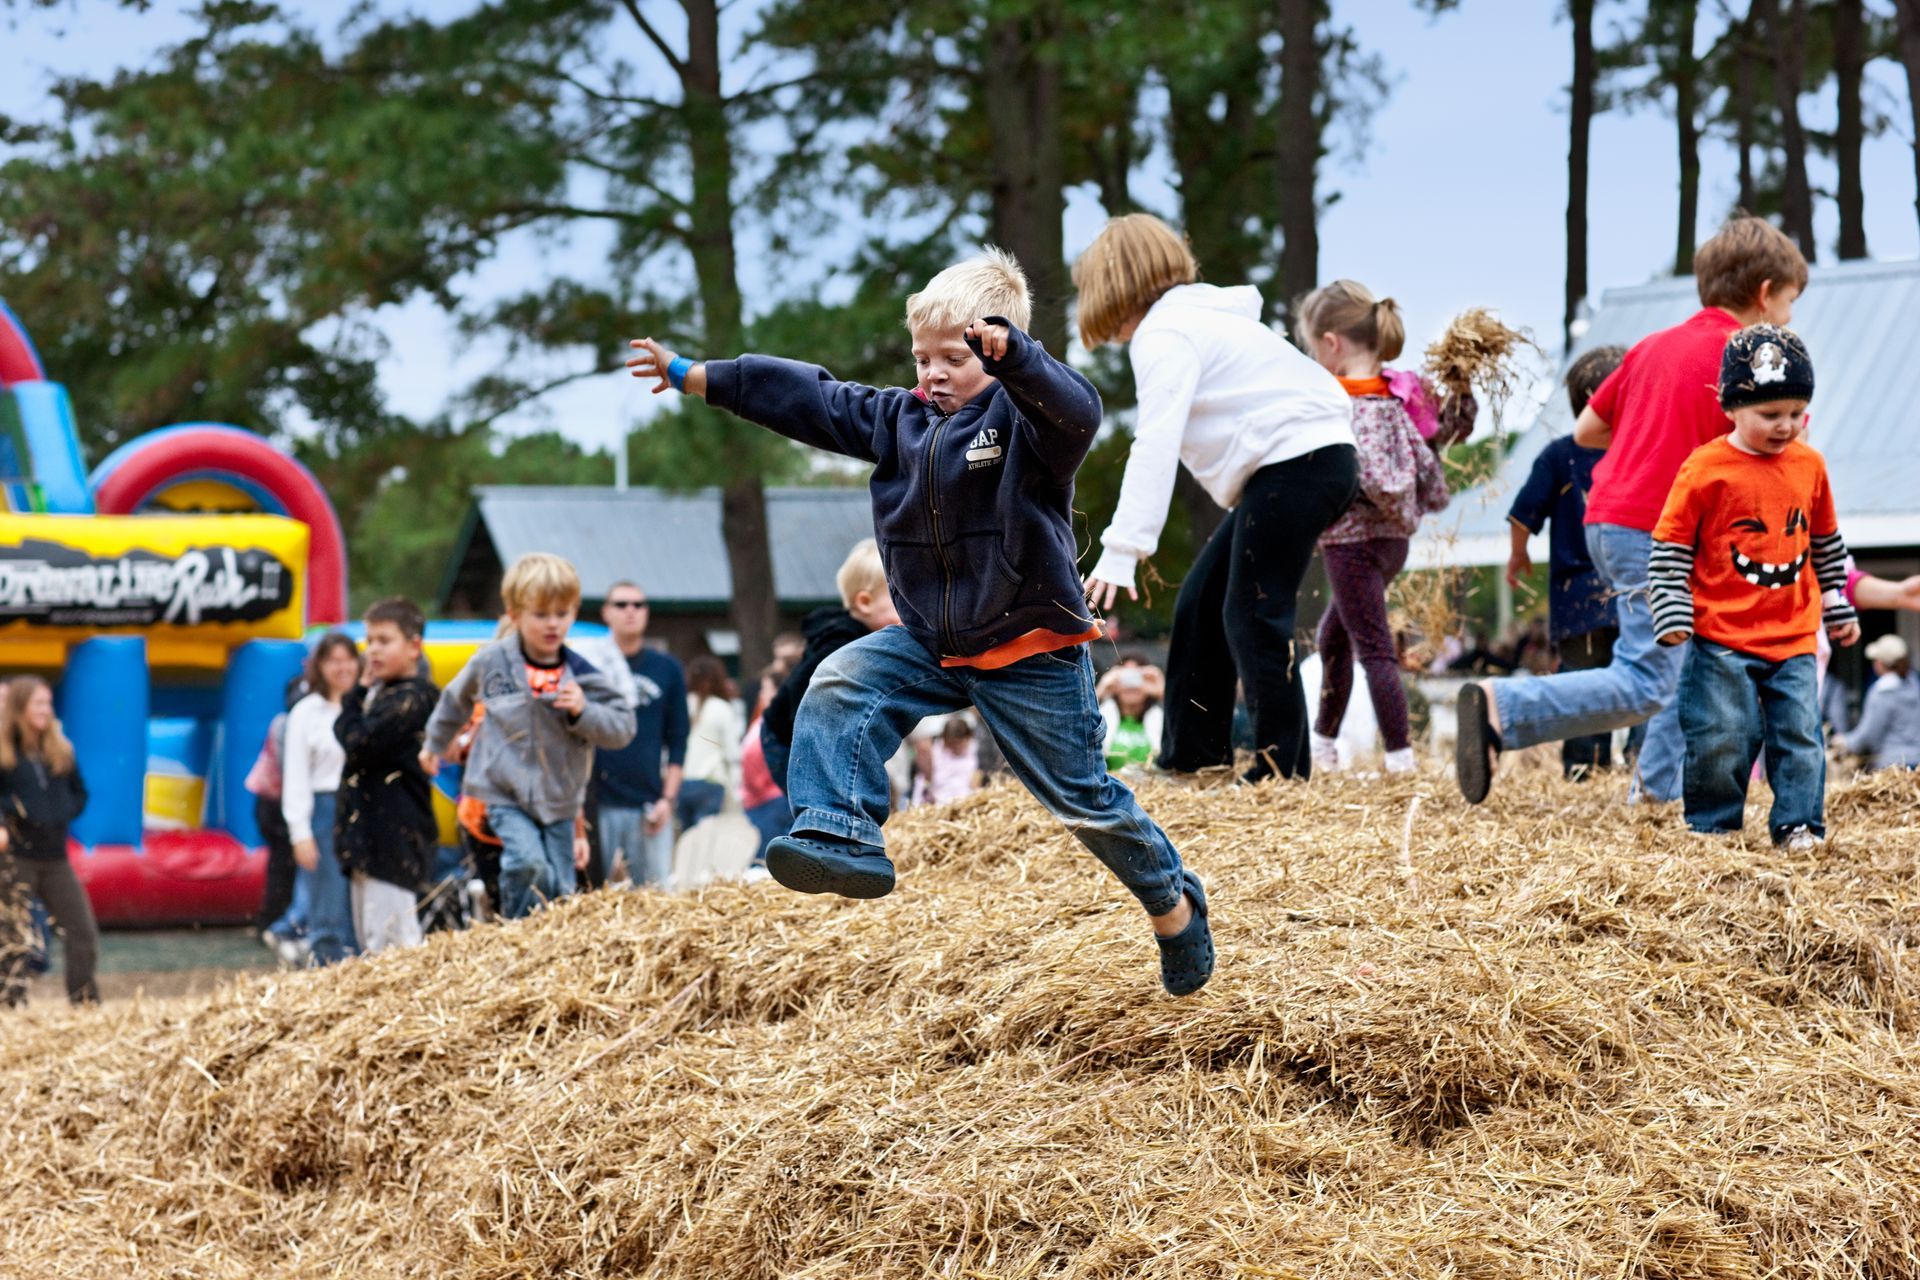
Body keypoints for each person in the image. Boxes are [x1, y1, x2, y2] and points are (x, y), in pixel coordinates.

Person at [627, 246, 1214, 996]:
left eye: (953, 359)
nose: (932, 374)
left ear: (995, 351)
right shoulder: (898, 422)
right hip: (934, 640)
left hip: (1028, 646)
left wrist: (1019, 361)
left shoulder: (1026, 423)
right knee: (840, 679)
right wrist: (693, 375)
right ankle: (840, 831)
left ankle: (1172, 904)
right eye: (922, 357)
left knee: (1083, 802)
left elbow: (1078, 412)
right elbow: (809, 398)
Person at [1458, 215, 1809, 804]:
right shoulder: (1753, 358)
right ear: (1767, 293)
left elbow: (1589, 429)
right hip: (1657, 530)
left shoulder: (1652, 346)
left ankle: (1656, 793)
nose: (1790, 319)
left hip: (1611, 519)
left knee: (1687, 664)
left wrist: (1650, 444)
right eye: (1791, 302)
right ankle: (1503, 709)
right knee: (1646, 680)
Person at [1076, 213, 1358, 783]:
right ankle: (1193, 759)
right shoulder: (1195, 320)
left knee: (1253, 614)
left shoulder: (1166, 333)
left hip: (1298, 462)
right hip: (1304, 462)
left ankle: (1282, 777)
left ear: (1111, 285)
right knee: (1203, 602)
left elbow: (1155, 439)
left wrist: (1123, 547)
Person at [1647, 325, 1857, 848]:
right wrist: (1672, 607)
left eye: (1796, 413)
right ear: (1731, 406)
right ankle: (1714, 827)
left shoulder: (1810, 465)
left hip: (1794, 636)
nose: (1786, 426)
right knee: (1723, 736)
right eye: (1770, 415)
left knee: (1801, 738)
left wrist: (1837, 603)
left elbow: (1825, 541)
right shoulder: (1706, 468)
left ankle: (1798, 825)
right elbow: (1670, 545)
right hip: (1722, 636)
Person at [1295, 279, 1458, 775]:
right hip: (1393, 542)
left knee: (1374, 650)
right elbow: (1429, 467)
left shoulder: (1339, 406)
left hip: (1351, 544)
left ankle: (1399, 757)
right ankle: (1324, 743)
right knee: (1334, 639)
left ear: (1331, 344)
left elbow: (1329, 472)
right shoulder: (1397, 401)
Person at [424, 555, 636, 919]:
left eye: (562, 613)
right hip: (503, 793)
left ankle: (550, 950)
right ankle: (519, 934)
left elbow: (623, 727)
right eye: (541, 614)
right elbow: (453, 701)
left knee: (559, 886)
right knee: (528, 865)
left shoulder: (580, 673)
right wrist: (432, 744)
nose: (553, 624)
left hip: (559, 798)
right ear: (515, 614)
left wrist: (584, 711)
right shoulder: (491, 663)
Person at [1506, 345, 1628, 778]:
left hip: (1587, 594)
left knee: (1588, 682)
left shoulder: (1562, 454)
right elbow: (1525, 513)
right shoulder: (1633, 454)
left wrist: (1517, 555)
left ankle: (1591, 768)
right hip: (1622, 590)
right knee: (1629, 677)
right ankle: (1622, 767)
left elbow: (1523, 515)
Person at [331, 599, 440, 954]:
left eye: (384, 640)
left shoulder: (414, 698)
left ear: (414, 646)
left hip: (393, 840)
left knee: (394, 948)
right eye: (369, 640)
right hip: (369, 838)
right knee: (371, 944)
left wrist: (354, 696)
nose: (373, 650)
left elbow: (357, 741)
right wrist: (360, 692)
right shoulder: (383, 695)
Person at [759, 538, 900, 793]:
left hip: (803, 735)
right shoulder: (842, 643)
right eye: (898, 600)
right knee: (818, 803)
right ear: (865, 602)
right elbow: (805, 686)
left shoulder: (861, 639)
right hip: (787, 738)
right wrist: (808, 742)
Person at [581, 581, 688, 890]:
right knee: (593, 895)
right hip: (596, 801)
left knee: (654, 896)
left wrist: (668, 799)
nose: (631, 611)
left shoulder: (666, 668)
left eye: (638, 605)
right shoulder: (590, 665)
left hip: (648, 802)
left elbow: (678, 739)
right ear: (606, 612)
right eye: (621, 604)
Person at [0, 676, 96, 1006]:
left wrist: (57, 813)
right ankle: (10, 1004)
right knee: (13, 936)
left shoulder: (60, 748)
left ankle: (84, 1003)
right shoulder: (4, 750)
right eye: (38, 703)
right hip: (17, 857)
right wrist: (7, 822)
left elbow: (80, 792)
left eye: (48, 703)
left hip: (55, 857)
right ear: (21, 707)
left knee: (82, 931)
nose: (45, 710)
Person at [284, 632, 363, 966]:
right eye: (333, 660)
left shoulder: (367, 704)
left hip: (362, 806)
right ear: (320, 666)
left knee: (360, 903)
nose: (342, 668)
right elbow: (297, 773)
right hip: (324, 809)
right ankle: (327, 969)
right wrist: (299, 831)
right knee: (326, 902)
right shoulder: (306, 712)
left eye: (347, 659)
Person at [246, 674, 308, 963]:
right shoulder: (287, 724)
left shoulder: (287, 721)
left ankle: (273, 920)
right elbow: (291, 767)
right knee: (283, 865)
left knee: (283, 865)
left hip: (277, 802)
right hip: (274, 804)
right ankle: (272, 922)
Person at [679, 656, 741, 831]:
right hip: (710, 781)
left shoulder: (681, 705)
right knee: (707, 843)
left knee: (686, 842)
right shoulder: (722, 708)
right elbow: (732, 753)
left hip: (681, 783)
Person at [1841, 634, 1920, 770]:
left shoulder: (1882, 692)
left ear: (1879, 663)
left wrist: (1845, 742)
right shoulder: (1914, 685)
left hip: (1893, 767)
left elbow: (1868, 736)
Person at [1097, 654, 1165, 772]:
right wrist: (1101, 689)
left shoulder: (1160, 718)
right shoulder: (1102, 716)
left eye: (1138, 677)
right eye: (1126, 678)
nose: (1131, 686)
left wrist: (1163, 692)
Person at [913, 715, 983, 805]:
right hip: (941, 805)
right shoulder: (935, 755)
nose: (956, 747)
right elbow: (923, 787)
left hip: (969, 802)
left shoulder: (978, 751)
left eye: (959, 743)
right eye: (952, 744)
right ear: (945, 741)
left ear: (968, 738)